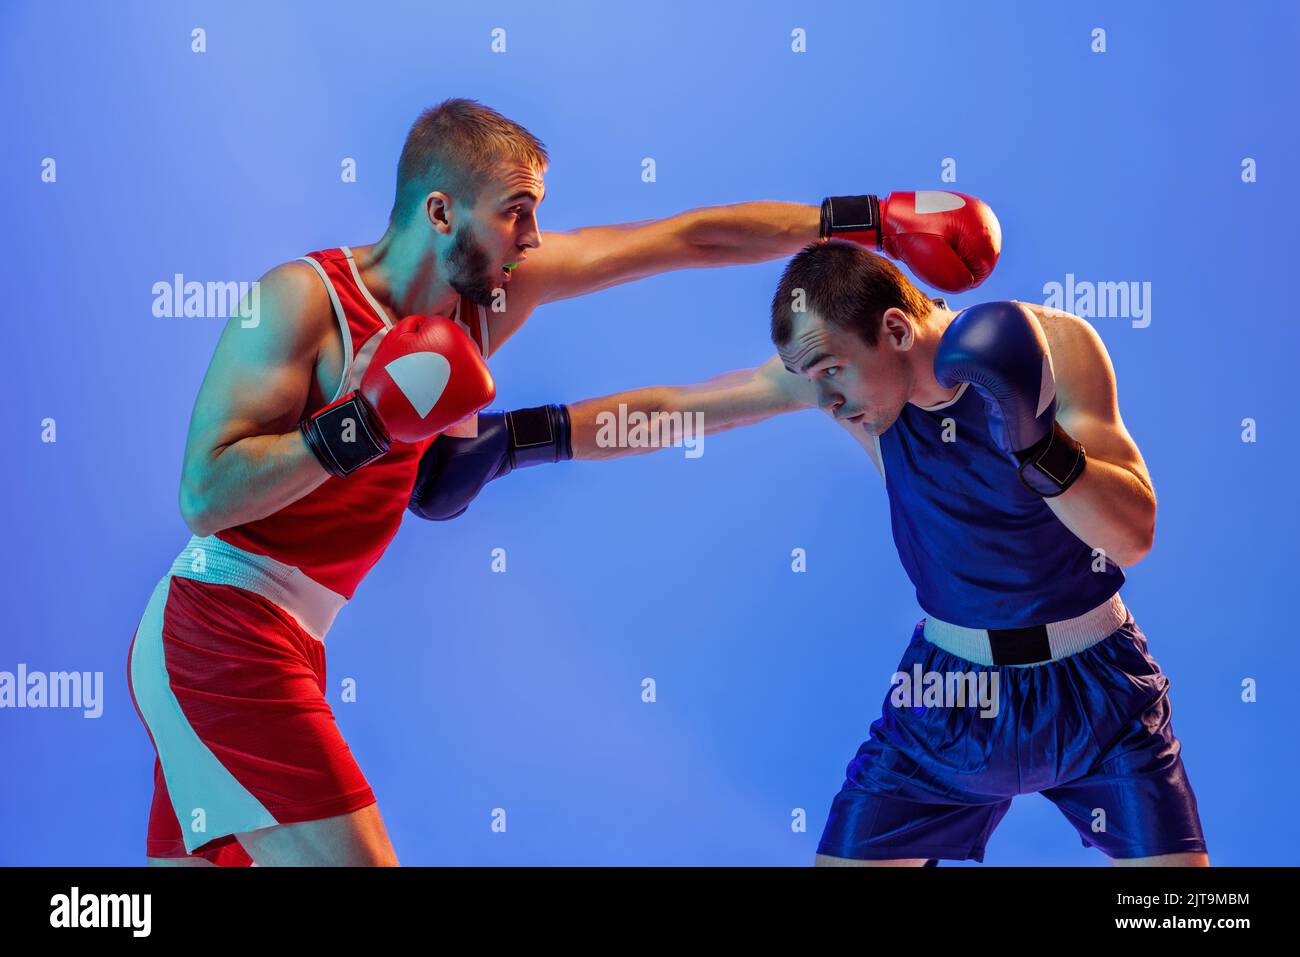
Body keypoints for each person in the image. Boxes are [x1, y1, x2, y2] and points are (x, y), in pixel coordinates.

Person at [127, 95, 1001, 866]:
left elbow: (682, 240)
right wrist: (364, 425)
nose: (534, 238)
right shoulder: (305, 298)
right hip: (221, 627)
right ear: (440, 211)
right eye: (516, 213)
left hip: (291, 639)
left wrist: (868, 222)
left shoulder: (490, 300)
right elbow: (204, 495)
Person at [421, 240, 1207, 866]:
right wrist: (515, 440)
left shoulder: (1052, 347)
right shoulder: (856, 388)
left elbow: (1132, 534)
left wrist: (1036, 442)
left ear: (896, 329)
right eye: (812, 381)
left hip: (1095, 686)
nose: (828, 404)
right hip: (951, 693)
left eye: (832, 373)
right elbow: (686, 410)